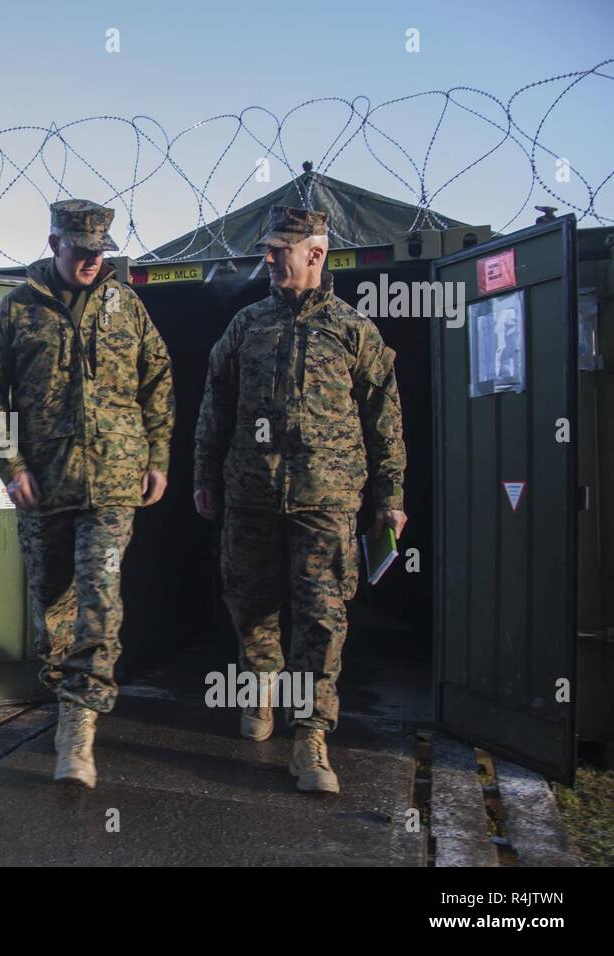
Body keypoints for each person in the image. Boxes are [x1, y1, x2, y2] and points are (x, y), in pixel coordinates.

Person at [193, 206, 407, 793]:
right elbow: (216, 404)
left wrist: (390, 498)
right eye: (266, 249)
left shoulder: (353, 330)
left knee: (322, 616)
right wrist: (204, 475)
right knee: (250, 601)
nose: (267, 260)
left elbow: (383, 418)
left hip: (327, 499)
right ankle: (262, 685)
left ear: (315, 255)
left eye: (279, 251)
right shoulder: (246, 326)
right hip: (251, 493)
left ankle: (311, 734)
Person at [0, 199, 174, 788]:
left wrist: (157, 455)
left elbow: (157, 378)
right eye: (82, 252)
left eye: (100, 253)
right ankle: (64, 694)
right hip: (45, 486)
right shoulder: (16, 312)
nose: (92, 262)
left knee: (100, 595)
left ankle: (79, 724)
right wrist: (10, 467)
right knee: (53, 609)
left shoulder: (126, 305)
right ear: (55, 243)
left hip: (114, 482)